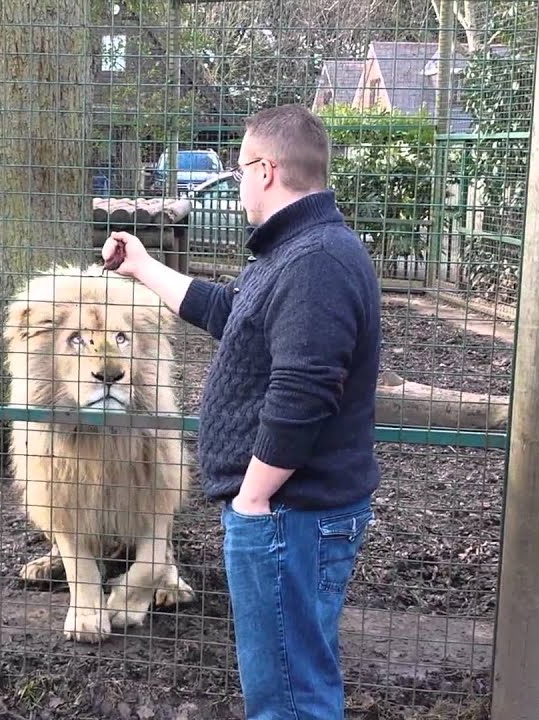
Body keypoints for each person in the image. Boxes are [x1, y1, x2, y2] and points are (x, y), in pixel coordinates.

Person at [102, 104, 381, 719]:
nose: (236, 186)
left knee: (288, 694)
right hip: (288, 514)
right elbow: (232, 316)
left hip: (289, 514)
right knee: (293, 672)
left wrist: (253, 500)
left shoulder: (316, 263)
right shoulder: (295, 251)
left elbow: (302, 394)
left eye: (237, 173)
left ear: (266, 170)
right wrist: (144, 266)